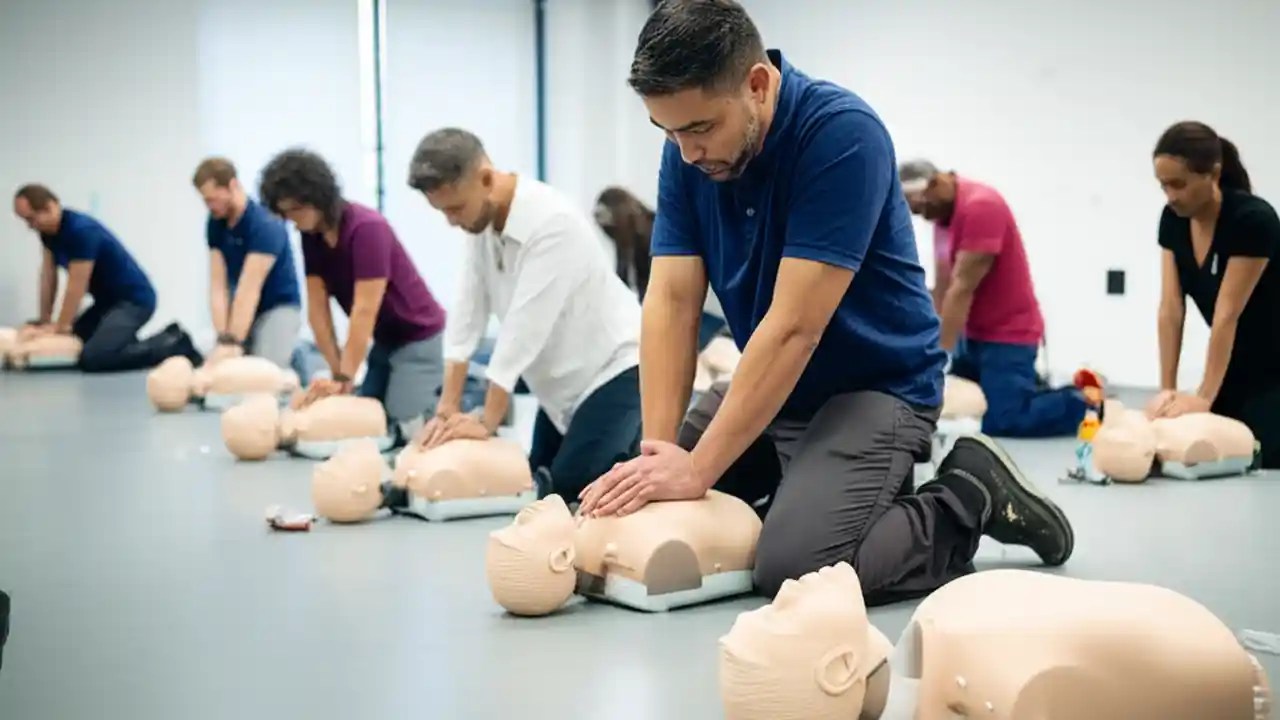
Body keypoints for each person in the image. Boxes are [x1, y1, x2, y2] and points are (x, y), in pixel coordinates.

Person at [576, 0, 1074, 606]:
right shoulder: (690, 153)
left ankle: (967, 497)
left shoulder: (840, 135)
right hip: (776, 386)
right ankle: (812, 491)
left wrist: (698, 469)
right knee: (646, 484)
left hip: (874, 389)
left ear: (756, 85)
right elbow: (672, 302)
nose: (685, 152)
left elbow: (794, 329)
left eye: (700, 128)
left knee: (794, 568)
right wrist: (662, 457)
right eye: (669, 132)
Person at [407, 128, 643, 500]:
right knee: (531, 480)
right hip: (561, 386)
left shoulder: (551, 222)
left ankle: (646, 439)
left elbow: (523, 328)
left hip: (616, 368)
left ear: (486, 178)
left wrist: (488, 419)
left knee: (568, 487)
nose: (451, 222)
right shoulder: (479, 223)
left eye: (455, 208)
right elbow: (468, 312)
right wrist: (446, 410)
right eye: (442, 211)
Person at [258, 148, 447, 441]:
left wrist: (347, 376)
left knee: (404, 425)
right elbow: (318, 311)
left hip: (417, 338)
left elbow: (363, 311)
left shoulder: (367, 228)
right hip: (385, 340)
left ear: (315, 197)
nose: (290, 220)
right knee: (366, 415)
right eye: (284, 213)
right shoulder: (312, 237)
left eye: (293, 210)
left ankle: (462, 398)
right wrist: (337, 374)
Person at [897, 160, 1095, 437]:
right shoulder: (941, 215)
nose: (922, 216)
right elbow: (943, 287)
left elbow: (962, 289)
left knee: (1003, 419)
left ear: (936, 184)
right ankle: (1028, 387)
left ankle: (1085, 401)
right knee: (961, 411)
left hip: (1008, 335)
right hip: (972, 335)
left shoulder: (982, 207)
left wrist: (937, 359)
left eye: (921, 207)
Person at [1149, 121, 1280, 468]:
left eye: (1179, 184)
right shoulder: (1173, 219)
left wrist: (1205, 396)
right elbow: (1170, 310)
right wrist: (1168, 393)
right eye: (1163, 186)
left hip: (1274, 370)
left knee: (1260, 453)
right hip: (1237, 367)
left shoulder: (1253, 220)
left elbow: (1227, 314)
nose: (1171, 196)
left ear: (1213, 174)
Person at [12, 184, 200, 372]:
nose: (30, 226)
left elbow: (76, 286)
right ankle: (125, 342)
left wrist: (61, 326)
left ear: (49, 207)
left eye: (31, 219)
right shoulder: (48, 235)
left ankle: (174, 344)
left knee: (94, 358)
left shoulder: (81, 231)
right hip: (107, 303)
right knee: (78, 337)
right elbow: (48, 277)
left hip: (134, 301)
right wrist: (44, 320)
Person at [193, 158, 302, 368]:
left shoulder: (265, 223)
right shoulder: (215, 223)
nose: (209, 206)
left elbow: (249, 288)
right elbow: (218, 286)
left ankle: (298, 353)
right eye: (205, 200)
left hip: (278, 306)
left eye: (213, 199)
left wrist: (234, 342)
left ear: (232, 185)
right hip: (243, 307)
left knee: (263, 372)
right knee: (227, 366)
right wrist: (223, 339)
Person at [594, 186, 728, 349]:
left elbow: (665, 290)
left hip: (699, 314)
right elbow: (626, 283)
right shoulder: (632, 239)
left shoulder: (657, 234)